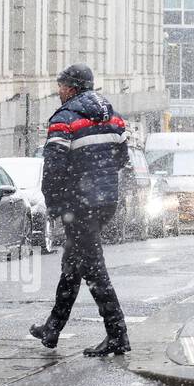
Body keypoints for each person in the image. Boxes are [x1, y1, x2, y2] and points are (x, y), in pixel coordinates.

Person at [31, 64, 132, 357]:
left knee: (94, 270)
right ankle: (53, 328)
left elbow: (53, 168)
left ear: (72, 88)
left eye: (61, 86)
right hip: (104, 202)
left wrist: (55, 205)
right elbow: (121, 158)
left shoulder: (64, 120)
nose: (58, 91)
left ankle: (118, 334)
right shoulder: (113, 117)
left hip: (79, 205)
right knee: (73, 265)